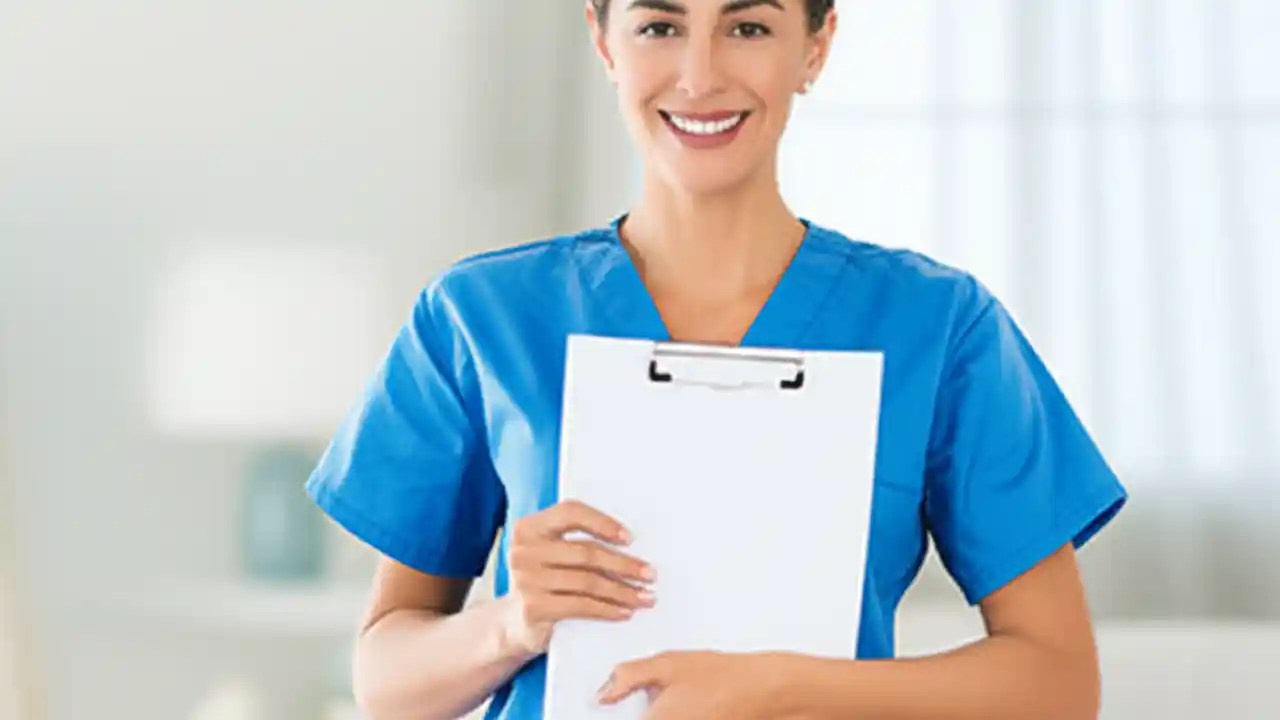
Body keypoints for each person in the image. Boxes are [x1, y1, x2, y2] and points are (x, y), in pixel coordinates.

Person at [305, 0, 1128, 717]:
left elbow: (1057, 681)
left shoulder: (939, 328)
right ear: (603, 41)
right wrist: (513, 623)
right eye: (660, 25)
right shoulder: (480, 317)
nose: (699, 76)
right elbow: (385, 684)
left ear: (815, 46)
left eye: (748, 26)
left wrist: (786, 689)